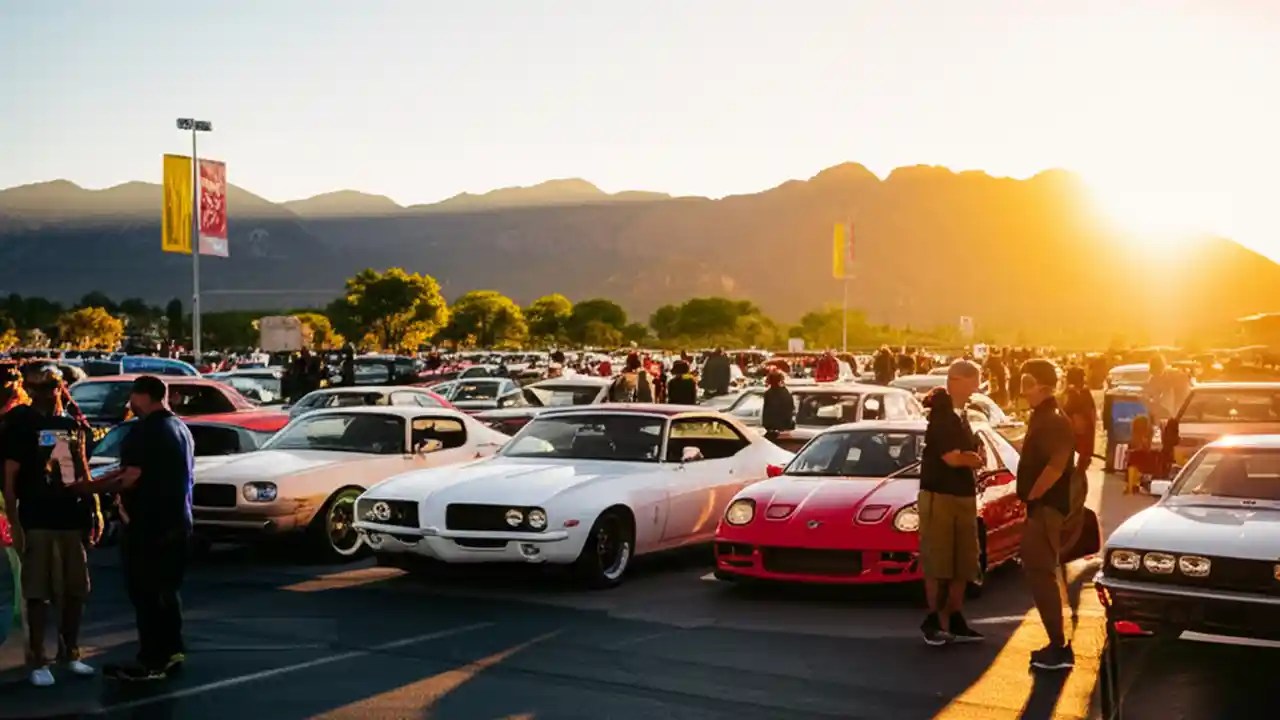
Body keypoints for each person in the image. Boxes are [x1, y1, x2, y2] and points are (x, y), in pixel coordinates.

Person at [83, 376, 195, 682]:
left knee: (146, 594)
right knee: (167, 591)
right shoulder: (180, 429)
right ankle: (172, 651)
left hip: (148, 526)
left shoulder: (145, 432)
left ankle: (152, 660)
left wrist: (87, 488)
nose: (130, 403)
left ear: (144, 396)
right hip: (178, 522)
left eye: (133, 396)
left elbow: (130, 476)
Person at [1, 363, 95, 687]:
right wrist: (14, 519)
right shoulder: (18, 422)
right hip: (36, 517)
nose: (45, 393)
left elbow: (80, 469)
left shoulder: (70, 423)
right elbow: (9, 476)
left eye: (51, 386)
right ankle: (38, 659)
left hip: (70, 515)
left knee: (74, 591)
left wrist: (93, 508)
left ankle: (70, 652)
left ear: (60, 387)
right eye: (38, 388)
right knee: (37, 592)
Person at [917, 361, 985, 646]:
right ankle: (934, 620)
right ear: (957, 381)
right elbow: (952, 458)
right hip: (940, 496)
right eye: (973, 382)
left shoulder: (962, 415)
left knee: (963, 563)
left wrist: (970, 455)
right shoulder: (941, 416)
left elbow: (966, 453)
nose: (976, 389)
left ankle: (955, 618)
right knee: (940, 562)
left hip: (963, 496)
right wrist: (971, 458)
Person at [1016, 359, 1076, 671]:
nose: (1023, 390)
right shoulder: (1044, 416)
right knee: (1039, 574)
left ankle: (1059, 647)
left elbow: (1057, 465)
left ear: (1044, 386)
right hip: (1042, 508)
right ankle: (1057, 644)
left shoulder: (1052, 419)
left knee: (1041, 574)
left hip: (1046, 509)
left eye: (1028, 383)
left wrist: (1033, 496)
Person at [1060, 367, 1096, 549]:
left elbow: (1083, 423)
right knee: (1075, 490)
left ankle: (1069, 534)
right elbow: (1088, 421)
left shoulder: (1076, 396)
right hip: (1077, 450)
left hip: (1077, 450)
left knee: (1075, 490)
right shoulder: (1079, 395)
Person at [760, 371, 795, 442]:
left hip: (774, 429)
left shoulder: (769, 394)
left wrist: (767, 425)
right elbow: (791, 409)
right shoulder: (786, 393)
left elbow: (766, 412)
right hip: (784, 428)